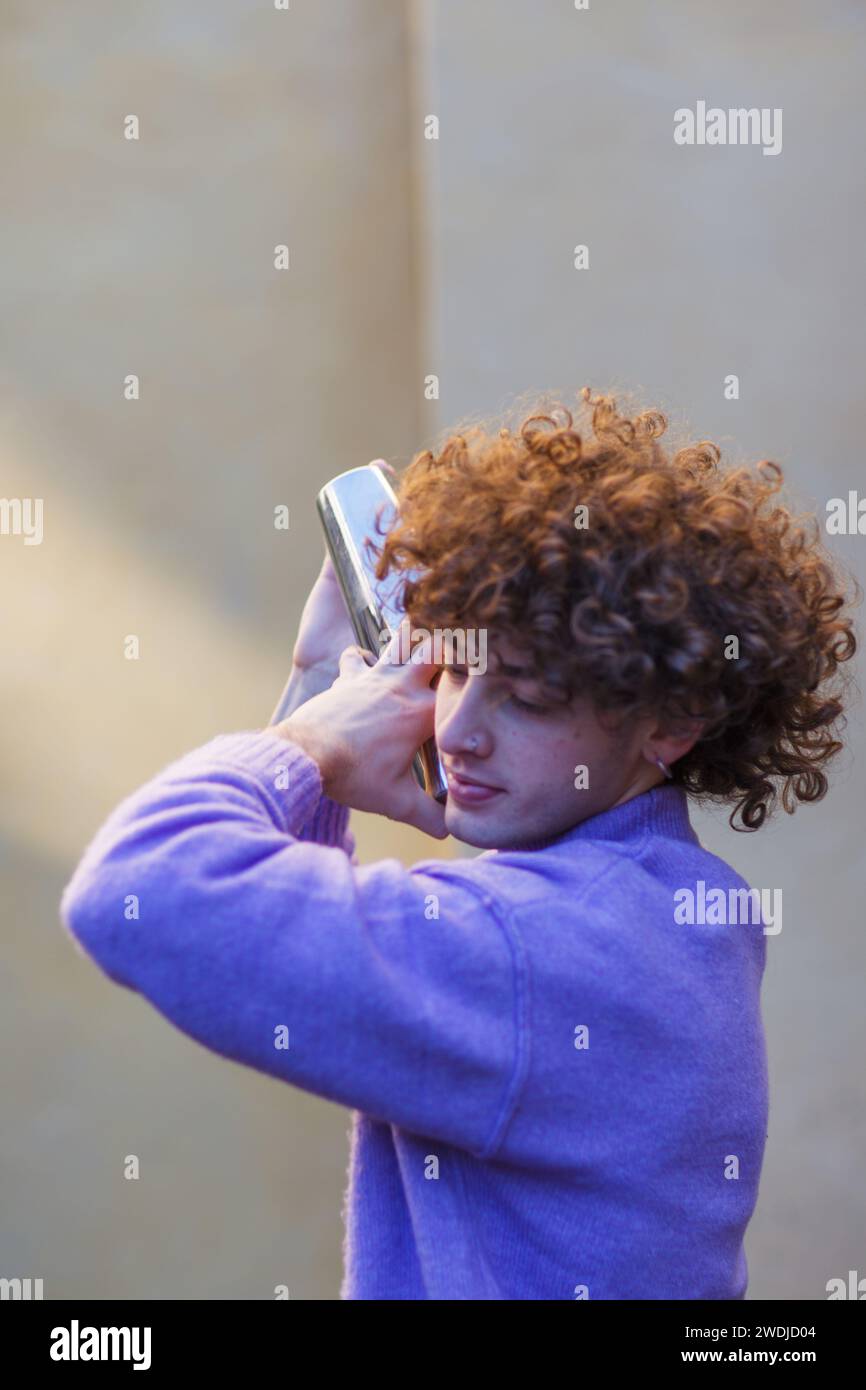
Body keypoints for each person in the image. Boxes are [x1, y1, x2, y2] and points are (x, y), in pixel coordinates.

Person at [60, 385, 857, 1300]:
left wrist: (310, 747)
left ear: (670, 722)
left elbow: (143, 892)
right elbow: (317, 963)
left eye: (524, 697)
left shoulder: (549, 948)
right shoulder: (657, 912)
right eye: (451, 667)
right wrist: (321, 682)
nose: (457, 730)